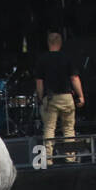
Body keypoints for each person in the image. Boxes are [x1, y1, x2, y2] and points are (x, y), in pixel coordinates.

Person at [34, 31, 83, 164]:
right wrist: (81, 96)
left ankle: (48, 160)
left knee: (49, 128)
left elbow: (39, 83)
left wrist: (40, 98)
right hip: (66, 97)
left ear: (48, 43)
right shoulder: (67, 58)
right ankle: (70, 157)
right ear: (60, 43)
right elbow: (74, 78)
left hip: (50, 98)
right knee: (68, 129)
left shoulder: (42, 60)